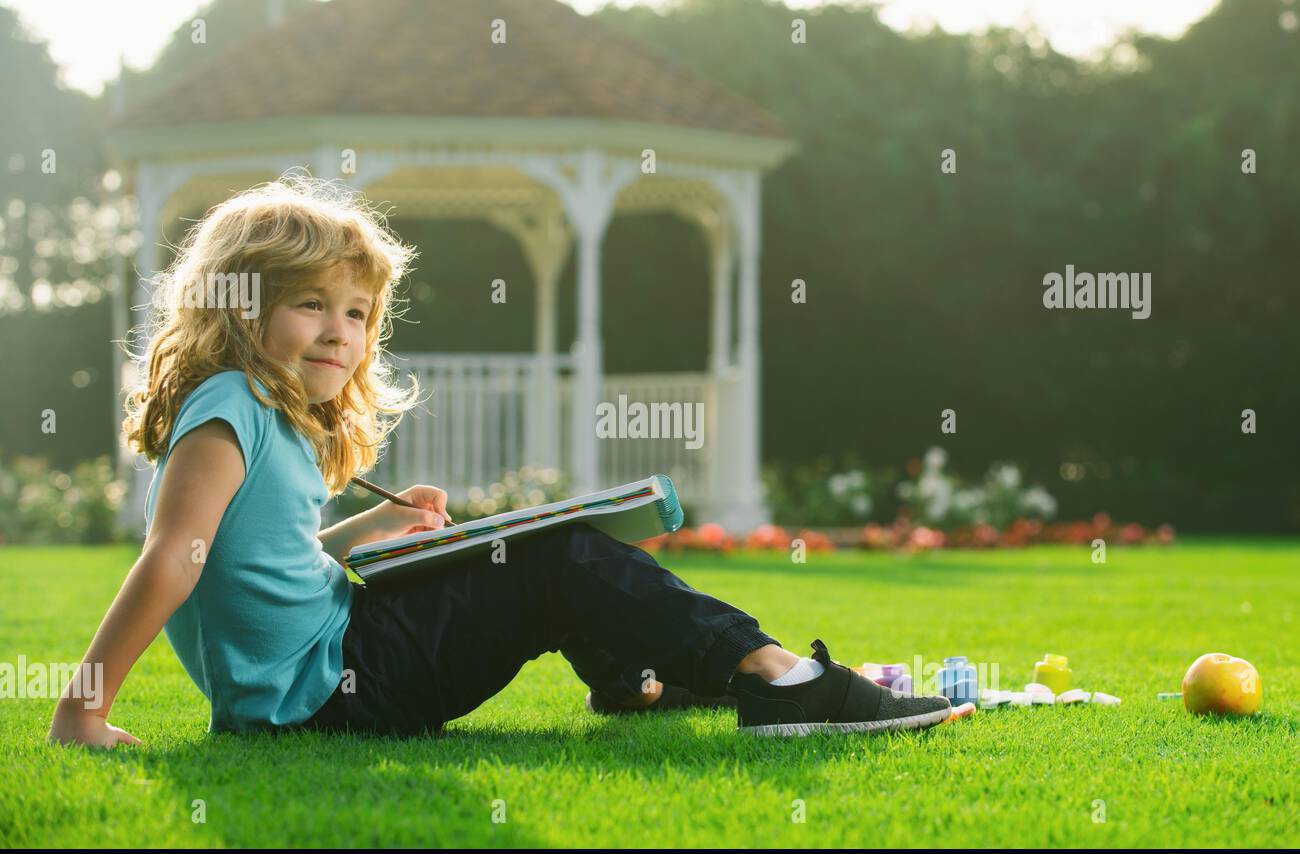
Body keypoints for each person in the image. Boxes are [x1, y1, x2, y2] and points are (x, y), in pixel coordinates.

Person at [47, 174, 952, 750]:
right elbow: (176, 557)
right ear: (239, 306)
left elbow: (267, 564)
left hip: (330, 667)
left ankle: (637, 679)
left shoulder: (268, 415)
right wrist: (81, 708)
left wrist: (375, 529)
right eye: (310, 304)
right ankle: (778, 677)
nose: (340, 331)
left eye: (358, 313)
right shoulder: (230, 407)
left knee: (529, 548)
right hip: (330, 695)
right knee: (552, 556)